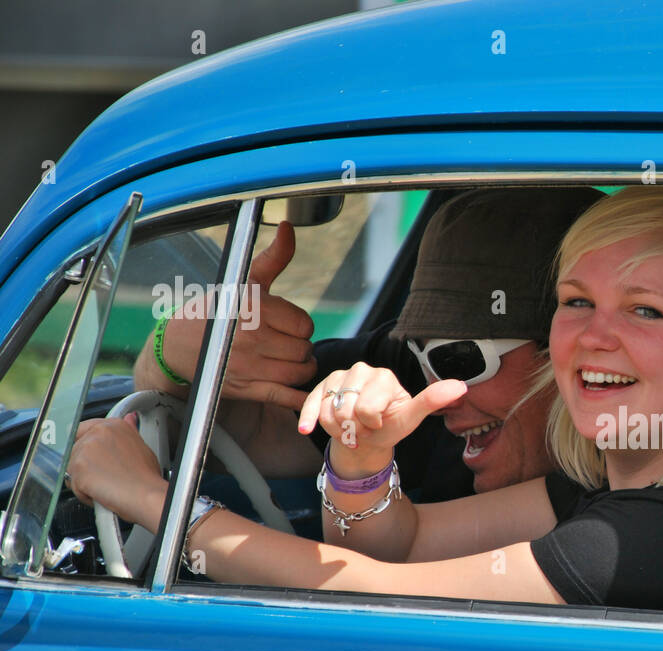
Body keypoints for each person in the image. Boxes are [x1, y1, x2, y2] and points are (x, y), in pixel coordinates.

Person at [67, 186, 663, 617]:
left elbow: (377, 594)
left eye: (646, 311)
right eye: (577, 301)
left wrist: (157, 504)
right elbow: (403, 540)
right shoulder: (603, 492)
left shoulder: (658, 537)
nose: (594, 337)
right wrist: (362, 461)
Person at [133, 186, 601, 497]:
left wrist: (142, 496)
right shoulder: (411, 386)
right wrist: (174, 354)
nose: (434, 396)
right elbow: (242, 432)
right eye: (422, 356)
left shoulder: (630, 502)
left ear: (570, 351)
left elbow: (397, 566)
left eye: (459, 359)